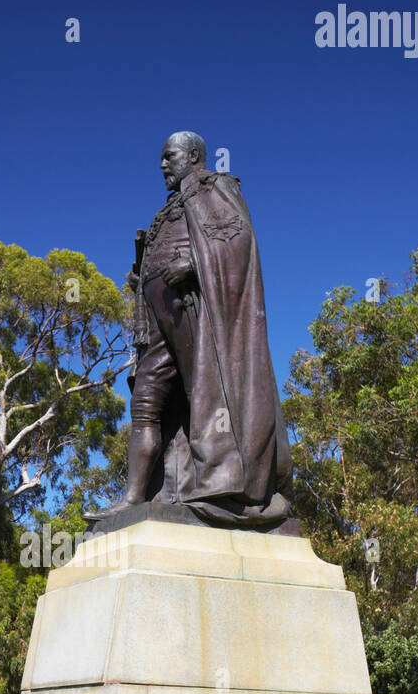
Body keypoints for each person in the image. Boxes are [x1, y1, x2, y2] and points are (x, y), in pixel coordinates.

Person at [90, 132, 296, 530]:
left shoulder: (215, 186)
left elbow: (239, 243)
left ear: (194, 156)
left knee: (202, 393)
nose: (162, 165)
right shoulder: (170, 206)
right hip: (158, 322)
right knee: (146, 402)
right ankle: (135, 496)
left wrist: (194, 266)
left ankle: (222, 481)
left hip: (195, 312)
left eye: (169, 157)